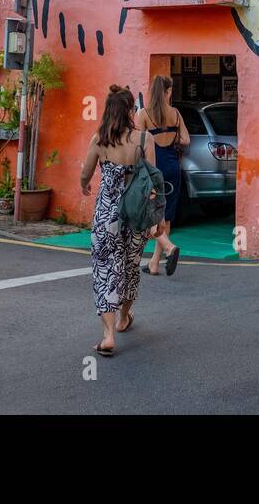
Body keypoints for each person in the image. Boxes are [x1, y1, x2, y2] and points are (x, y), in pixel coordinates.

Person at [80, 85, 162, 357]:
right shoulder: (144, 140)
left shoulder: (99, 140)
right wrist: (155, 220)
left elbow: (86, 173)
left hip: (106, 215)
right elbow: (153, 183)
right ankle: (125, 316)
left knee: (105, 270)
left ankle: (108, 335)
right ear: (130, 110)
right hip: (135, 216)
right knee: (129, 269)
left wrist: (84, 186)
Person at [135, 75, 189, 276]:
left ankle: (168, 248)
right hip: (173, 166)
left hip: (152, 168)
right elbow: (186, 140)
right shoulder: (175, 113)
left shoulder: (143, 114)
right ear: (167, 92)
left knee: (148, 213)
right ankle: (154, 264)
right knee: (166, 215)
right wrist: (172, 138)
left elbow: (138, 144)